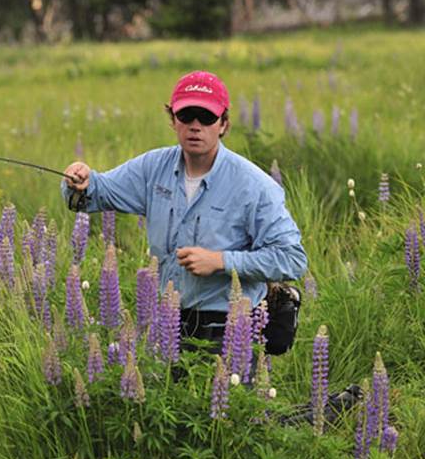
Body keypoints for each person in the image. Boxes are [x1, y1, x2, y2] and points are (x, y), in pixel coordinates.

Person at [62, 70, 308, 345]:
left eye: (206, 117)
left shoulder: (254, 185)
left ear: (223, 124)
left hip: (229, 330)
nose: (195, 125)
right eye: (186, 115)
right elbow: (97, 192)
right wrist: (80, 180)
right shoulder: (153, 168)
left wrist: (221, 261)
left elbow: (292, 259)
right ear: (173, 120)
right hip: (166, 324)